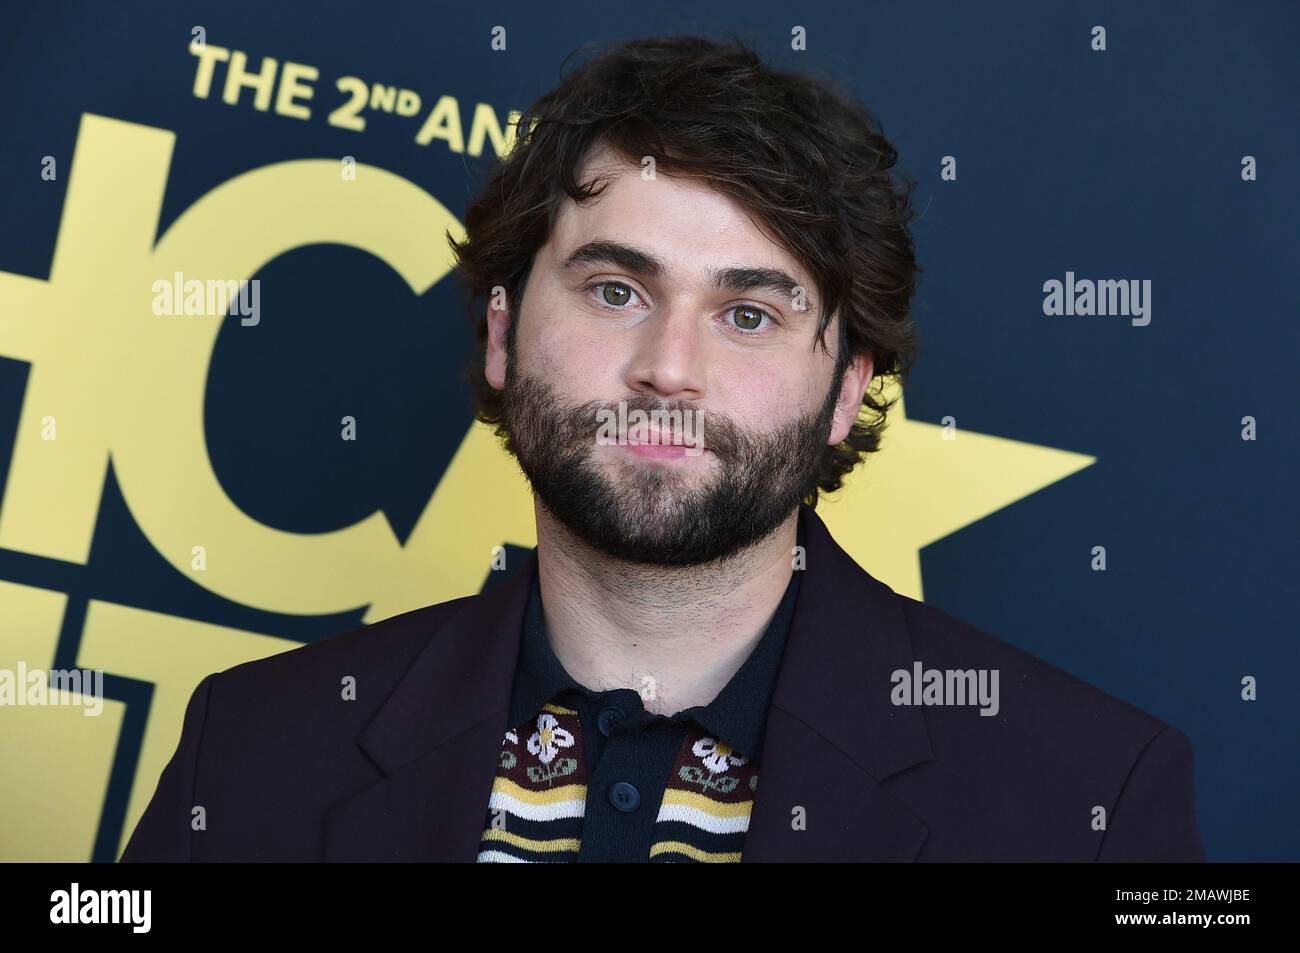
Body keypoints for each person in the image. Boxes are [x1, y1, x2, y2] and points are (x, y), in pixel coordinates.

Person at [121, 35, 1204, 863]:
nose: (667, 367)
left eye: (748, 313)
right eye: (613, 289)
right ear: (503, 333)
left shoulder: (1085, 799)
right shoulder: (253, 747)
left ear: (845, 391)